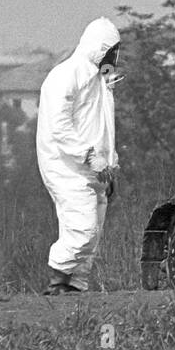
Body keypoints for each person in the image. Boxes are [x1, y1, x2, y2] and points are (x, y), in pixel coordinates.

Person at [36, 17, 121, 295]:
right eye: (111, 51)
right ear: (99, 48)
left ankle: (74, 287)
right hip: (67, 167)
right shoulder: (65, 76)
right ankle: (56, 277)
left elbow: (105, 129)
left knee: (93, 235)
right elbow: (59, 126)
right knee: (82, 229)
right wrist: (87, 156)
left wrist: (110, 166)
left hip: (95, 169)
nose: (114, 57)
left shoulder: (100, 83)